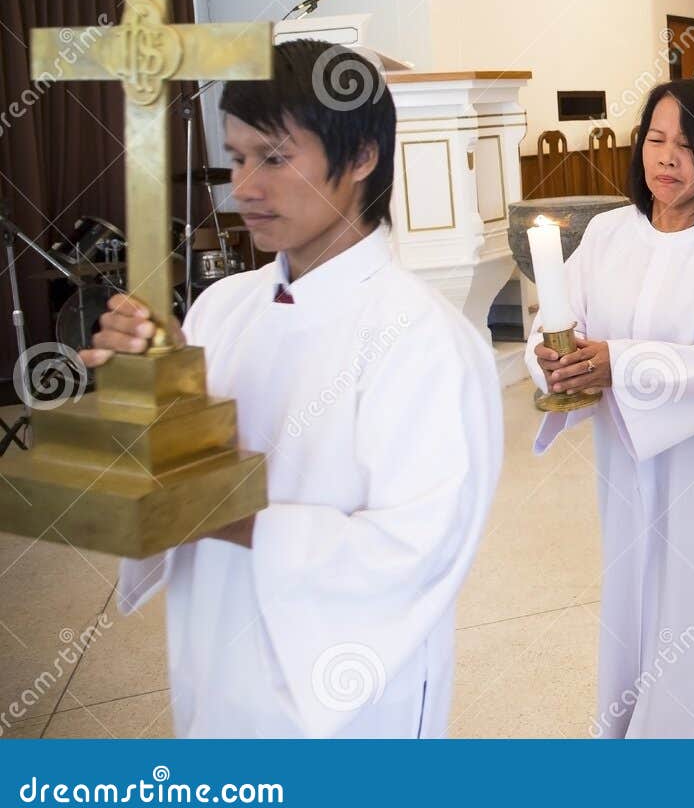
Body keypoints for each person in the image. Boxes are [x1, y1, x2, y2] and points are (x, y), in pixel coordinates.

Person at [85, 39, 503, 737]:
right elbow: (166, 469)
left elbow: (415, 551)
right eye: (236, 157)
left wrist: (220, 510)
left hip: (341, 696)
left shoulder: (426, 340)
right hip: (214, 657)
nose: (244, 187)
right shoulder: (221, 307)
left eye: (274, 158)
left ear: (362, 156)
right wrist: (152, 387)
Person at [528, 78, 694, 737]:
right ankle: (632, 713)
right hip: (627, 455)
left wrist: (622, 363)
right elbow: (558, 319)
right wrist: (553, 359)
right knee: (637, 580)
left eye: (687, 145)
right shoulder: (609, 232)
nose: (667, 157)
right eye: (656, 139)